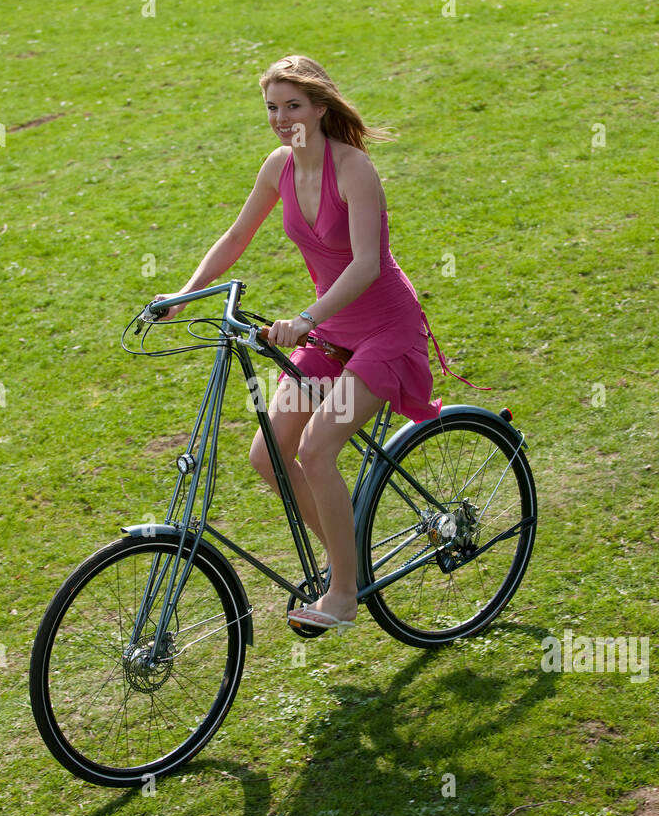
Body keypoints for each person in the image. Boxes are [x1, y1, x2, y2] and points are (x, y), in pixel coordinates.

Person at [151, 54, 445, 635]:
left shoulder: (354, 168)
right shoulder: (278, 167)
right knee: (268, 455)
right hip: (331, 332)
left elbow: (364, 266)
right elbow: (237, 234)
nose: (283, 119)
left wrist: (305, 319)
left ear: (320, 106)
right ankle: (350, 561)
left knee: (316, 449)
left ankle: (343, 592)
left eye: (293, 106)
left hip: (384, 328)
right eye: (272, 108)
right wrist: (184, 294)